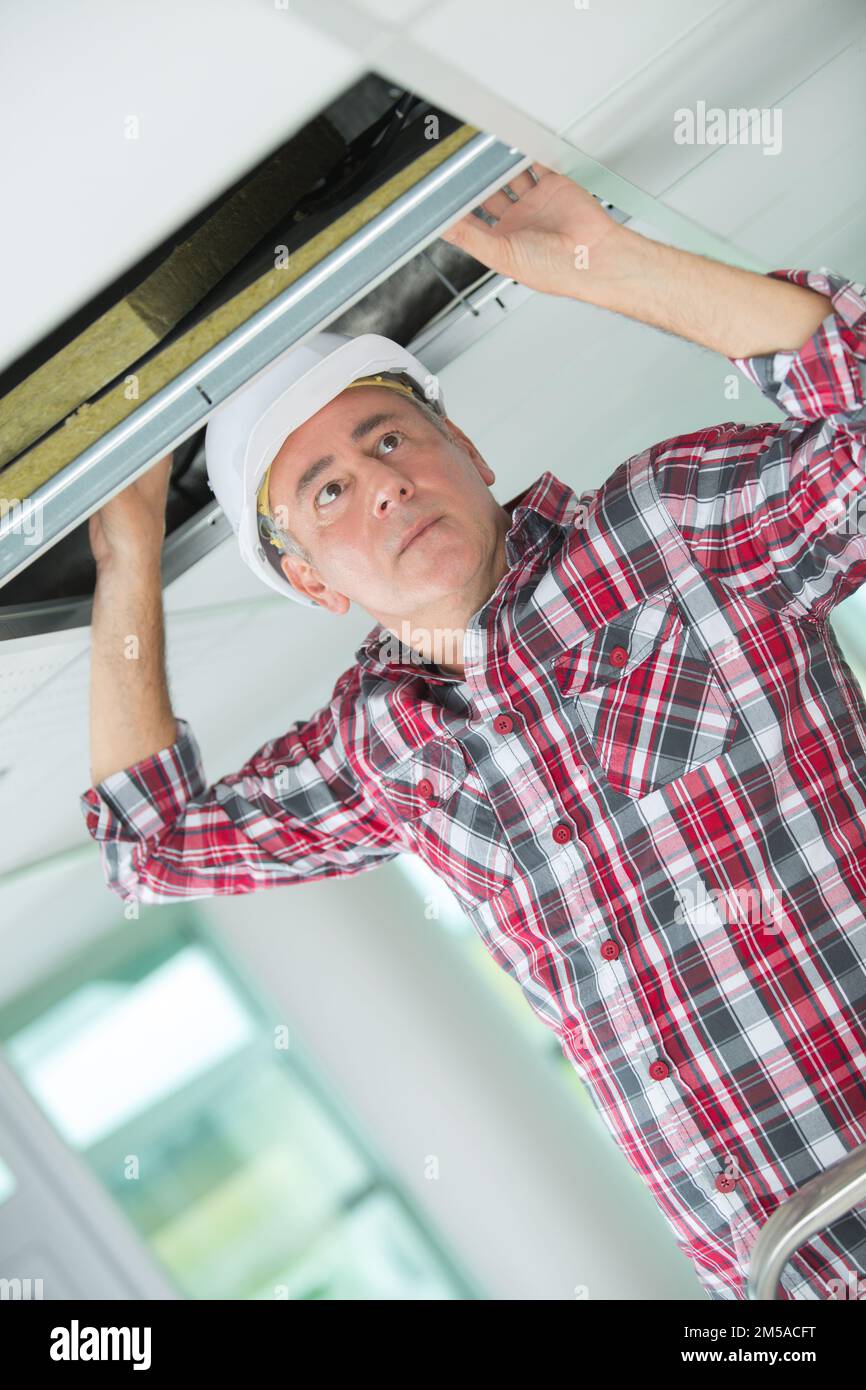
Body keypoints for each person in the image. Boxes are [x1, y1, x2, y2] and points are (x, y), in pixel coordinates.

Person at [80, 163, 866, 1301]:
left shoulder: (671, 533)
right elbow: (149, 841)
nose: (381, 487)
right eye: (328, 491)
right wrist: (127, 551)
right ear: (309, 582)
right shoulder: (377, 750)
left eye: (388, 440)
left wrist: (605, 260)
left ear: (470, 454)